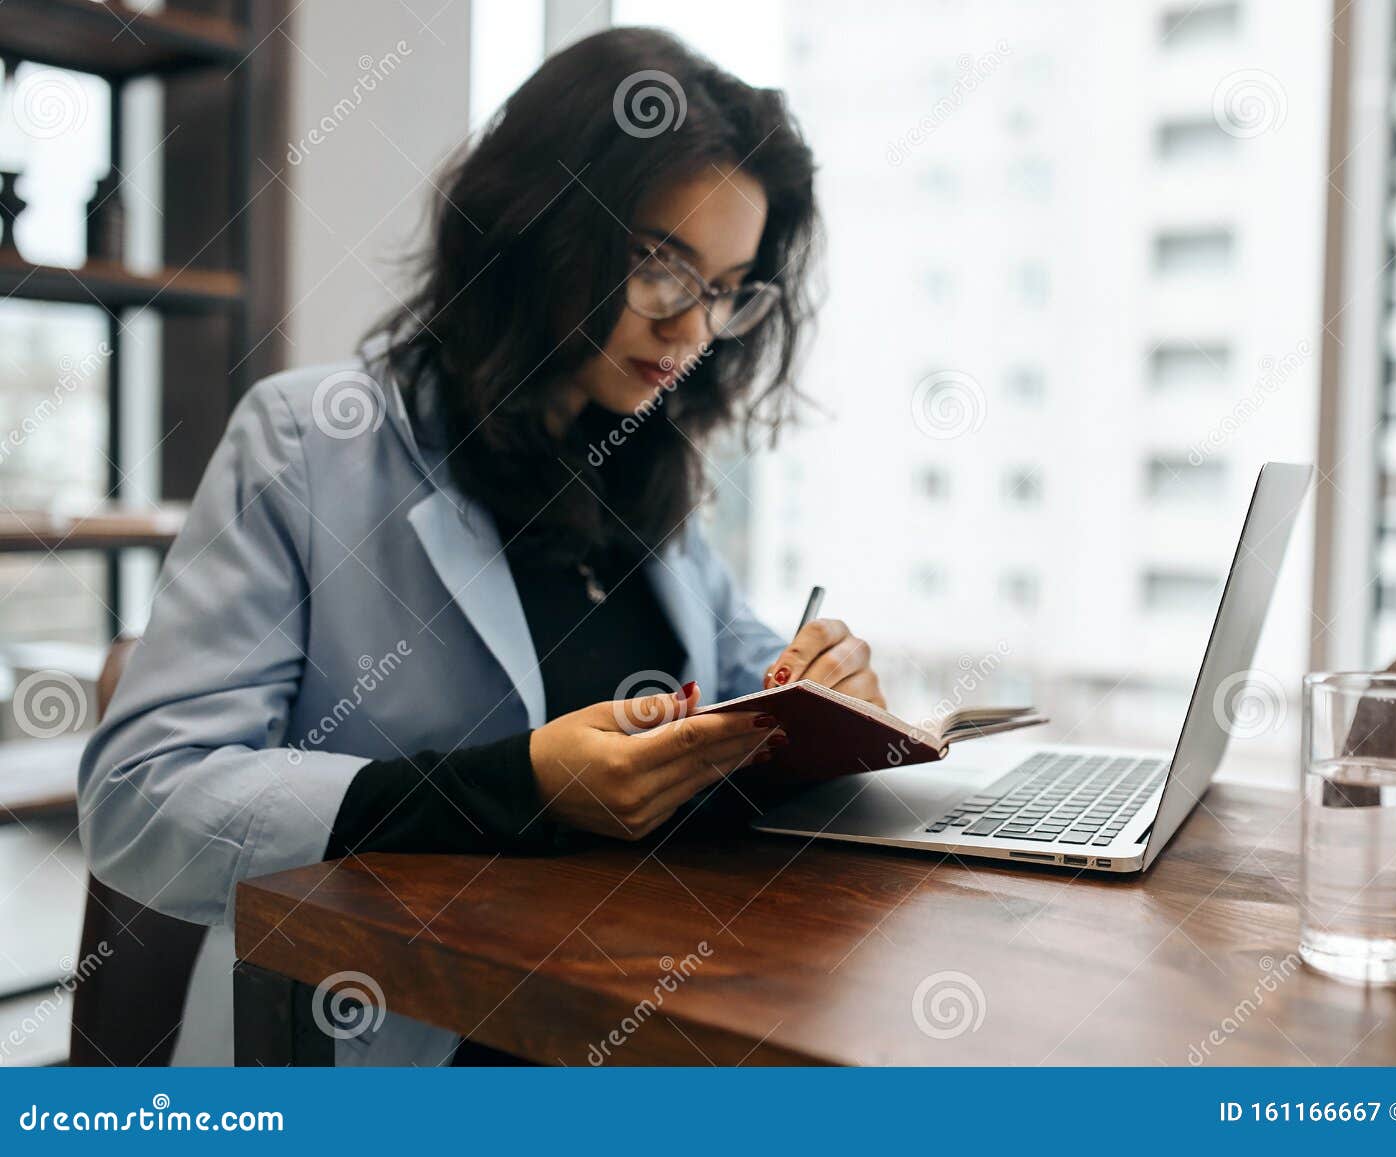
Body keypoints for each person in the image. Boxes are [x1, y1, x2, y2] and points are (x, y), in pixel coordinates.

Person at [78, 26, 884, 1066]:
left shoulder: (641, 465)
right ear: (537, 224)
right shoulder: (311, 442)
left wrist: (821, 693)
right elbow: (143, 801)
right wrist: (521, 786)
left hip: (635, 1018)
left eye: (726, 287)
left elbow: (746, 685)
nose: (692, 328)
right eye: (658, 263)